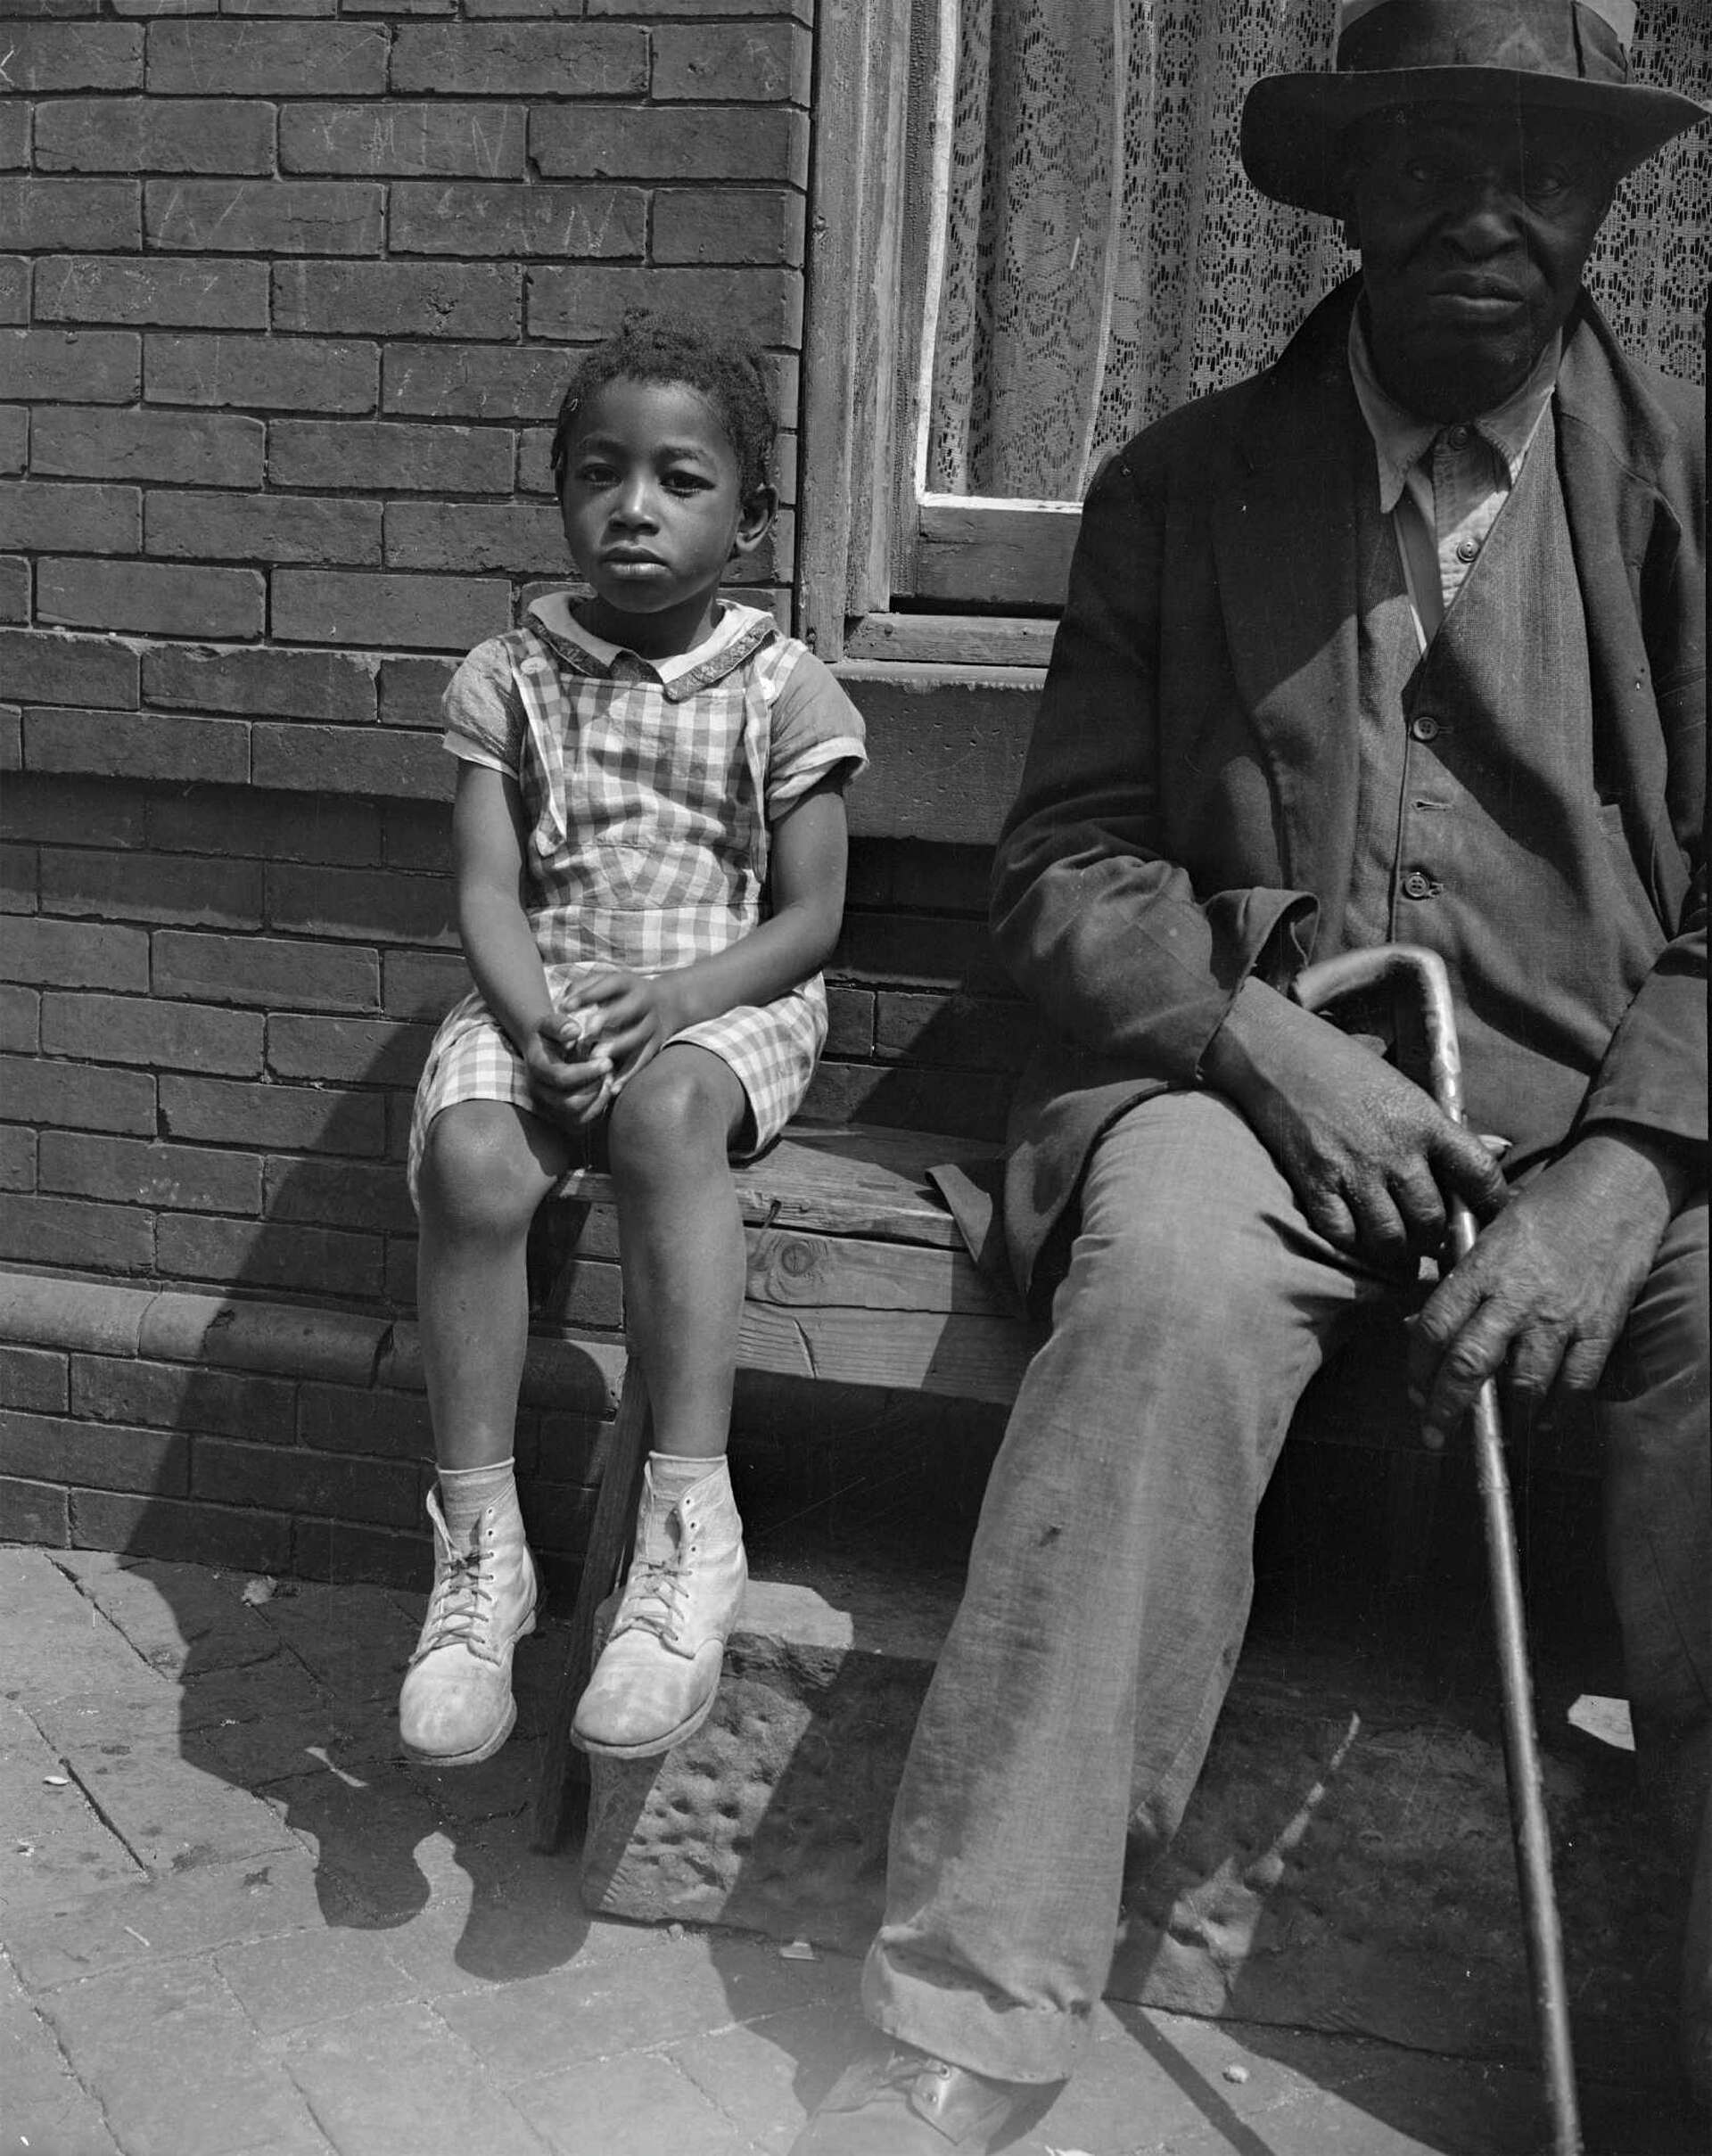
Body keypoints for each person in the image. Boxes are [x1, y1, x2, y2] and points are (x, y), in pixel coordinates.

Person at [790, 4, 1707, 2149]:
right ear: (1351, 193)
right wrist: (1261, 1042)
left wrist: (1629, 1173)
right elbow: (1064, 870)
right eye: (1431, 161)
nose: (1487, 212)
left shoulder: (1688, 492)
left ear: (1598, 208)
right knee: (1170, 1290)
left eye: (1540, 168)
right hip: (1245, 1109)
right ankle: (974, 2009)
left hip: (1613, 1138)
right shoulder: (1184, 488)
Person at [398, 315, 866, 1773]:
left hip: (724, 998)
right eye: (601, 475)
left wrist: (680, 1000)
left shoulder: (779, 684)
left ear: (748, 516)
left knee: (667, 1122)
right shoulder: (510, 673)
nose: (635, 508)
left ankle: (686, 1529)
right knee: (472, 1160)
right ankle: (480, 1558)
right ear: (560, 494)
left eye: (680, 479)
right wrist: (534, 1018)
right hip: (551, 993)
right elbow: (486, 887)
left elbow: (814, 916)